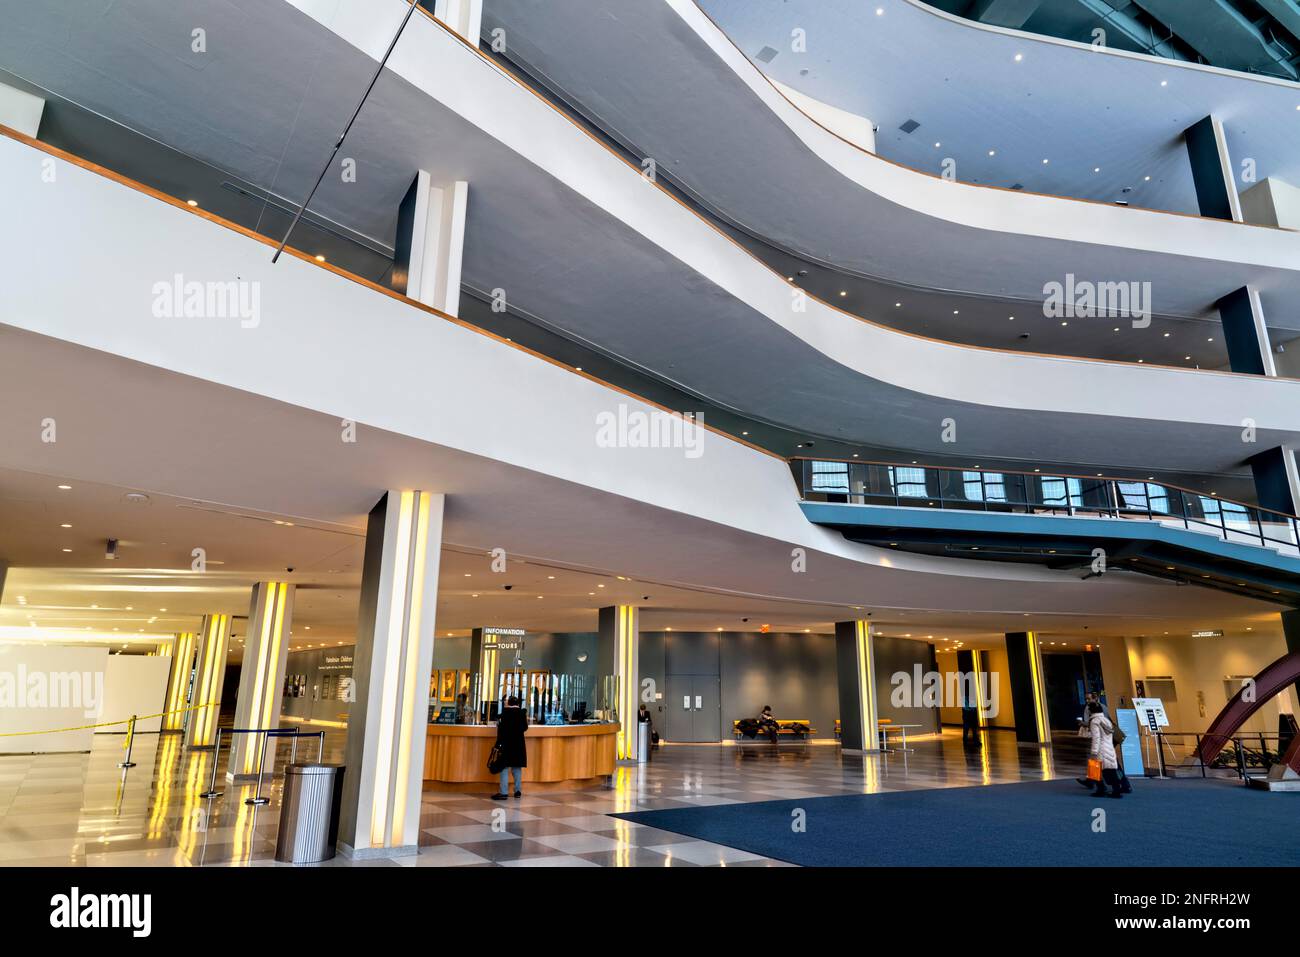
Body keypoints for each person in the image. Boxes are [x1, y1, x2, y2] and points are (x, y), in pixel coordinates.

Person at [491, 695, 528, 800]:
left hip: (507, 744)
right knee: (517, 768)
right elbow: (525, 727)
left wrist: (498, 744)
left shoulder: (505, 713)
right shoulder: (522, 713)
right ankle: (517, 791)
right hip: (519, 744)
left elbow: (501, 731)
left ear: (509, 703)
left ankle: (503, 792)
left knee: (504, 767)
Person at [1086, 701, 1123, 798]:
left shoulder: (1094, 721)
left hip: (1100, 749)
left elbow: (1096, 738)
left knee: (1094, 769)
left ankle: (1101, 789)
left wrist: (1094, 752)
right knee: (1111, 770)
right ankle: (1116, 790)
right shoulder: (1106, 720)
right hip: (1109, 747)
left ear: (1091, 711)